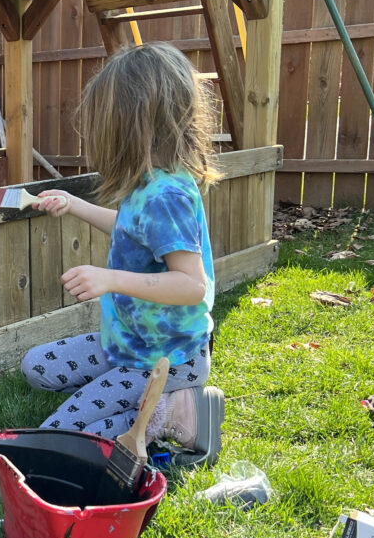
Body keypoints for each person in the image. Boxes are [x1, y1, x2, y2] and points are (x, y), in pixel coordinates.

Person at [20, 42, 225, 467]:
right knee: (36, 367)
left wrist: (110, 279)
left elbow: (190, 285)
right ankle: (154, 400)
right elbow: (134, 234)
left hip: (168, 359)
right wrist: (73, 204)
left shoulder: (167, 195)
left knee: (58, 437)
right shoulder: (148, 184)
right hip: (129, 343)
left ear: (132, 125)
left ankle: (176, 412)